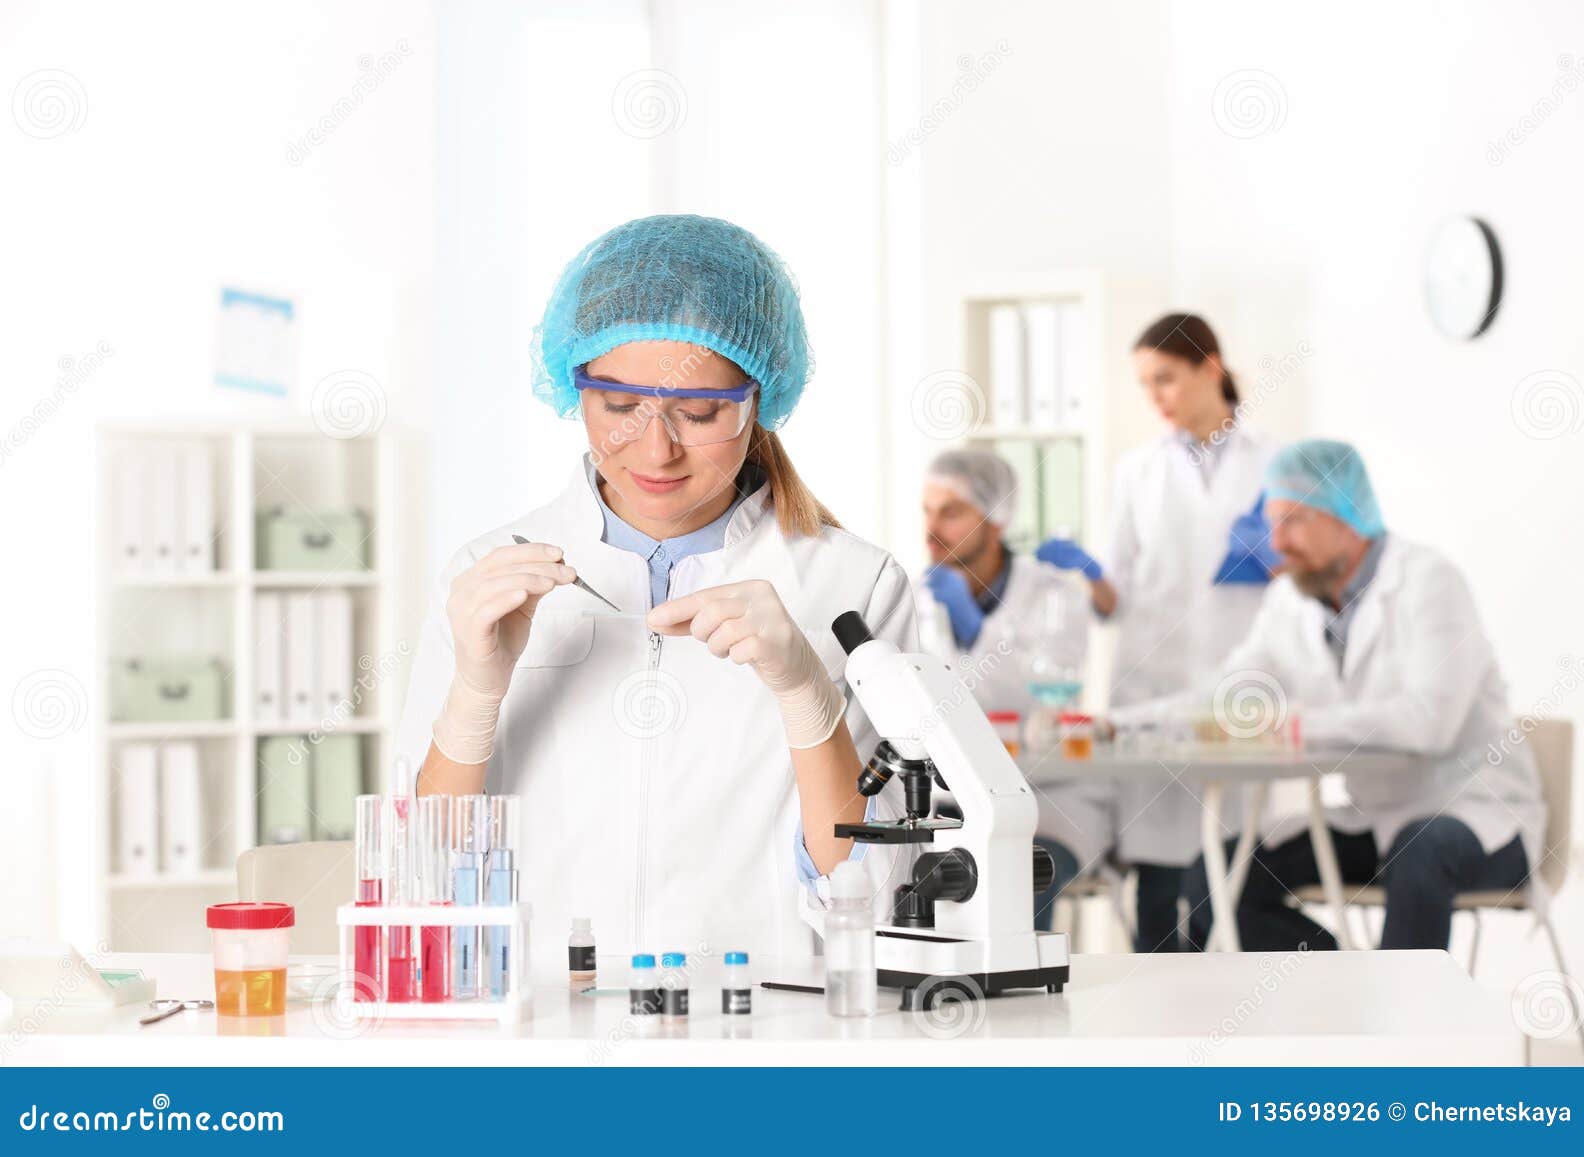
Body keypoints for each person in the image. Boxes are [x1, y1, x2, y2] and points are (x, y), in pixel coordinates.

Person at [394, 214, 918, 964]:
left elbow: (873, 887)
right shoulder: (485, 573)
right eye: (618, 407)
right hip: (543, 1022)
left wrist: (810, 698)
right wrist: (476, 695)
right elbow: (416, 878)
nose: (655, 448)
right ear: (574, 388)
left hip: (764, 1026)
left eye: (700, 412)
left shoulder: (851, 585)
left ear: (759, 397)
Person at [1174, 440, 1544, 950]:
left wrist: (1298, 724)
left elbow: (1429, 723)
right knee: (1212, 881)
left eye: (1294, 521)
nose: (1277, 542)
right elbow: (1228, 688)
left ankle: (1403, 1027)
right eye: (1273, 522)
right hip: (1374, 819)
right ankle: (1346, 992)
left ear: (1346, 515)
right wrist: (1120, 723)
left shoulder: (1429, 582)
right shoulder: (1290, 601)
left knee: (1419, 851)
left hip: (1478, 815)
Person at [1042, 313, 1280, 952]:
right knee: (1155, 879)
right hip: (1151, 681)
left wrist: (1276, 559)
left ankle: (1228, 1028)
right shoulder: (1136, 470)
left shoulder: (1275, 463)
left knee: (1227, 875)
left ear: (1211, 367)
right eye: (1146, 385)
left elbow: (1304, 583)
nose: (1156, 399)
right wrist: (1091, 576)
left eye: (1167, 379)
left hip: (1240, 684)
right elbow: (1114, 596)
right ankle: (1156, 1030)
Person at [914, 449, 1115, 930]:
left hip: (1052, 798)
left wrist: (976, 633)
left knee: (1017, 877)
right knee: (911, 884)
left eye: (952, 512)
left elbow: (1043, 700)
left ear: (996, 520)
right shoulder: (918, 598)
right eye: (927, 510)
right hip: (956, 802)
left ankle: (1020, 998)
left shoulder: (1054, 594)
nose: (932, 527)